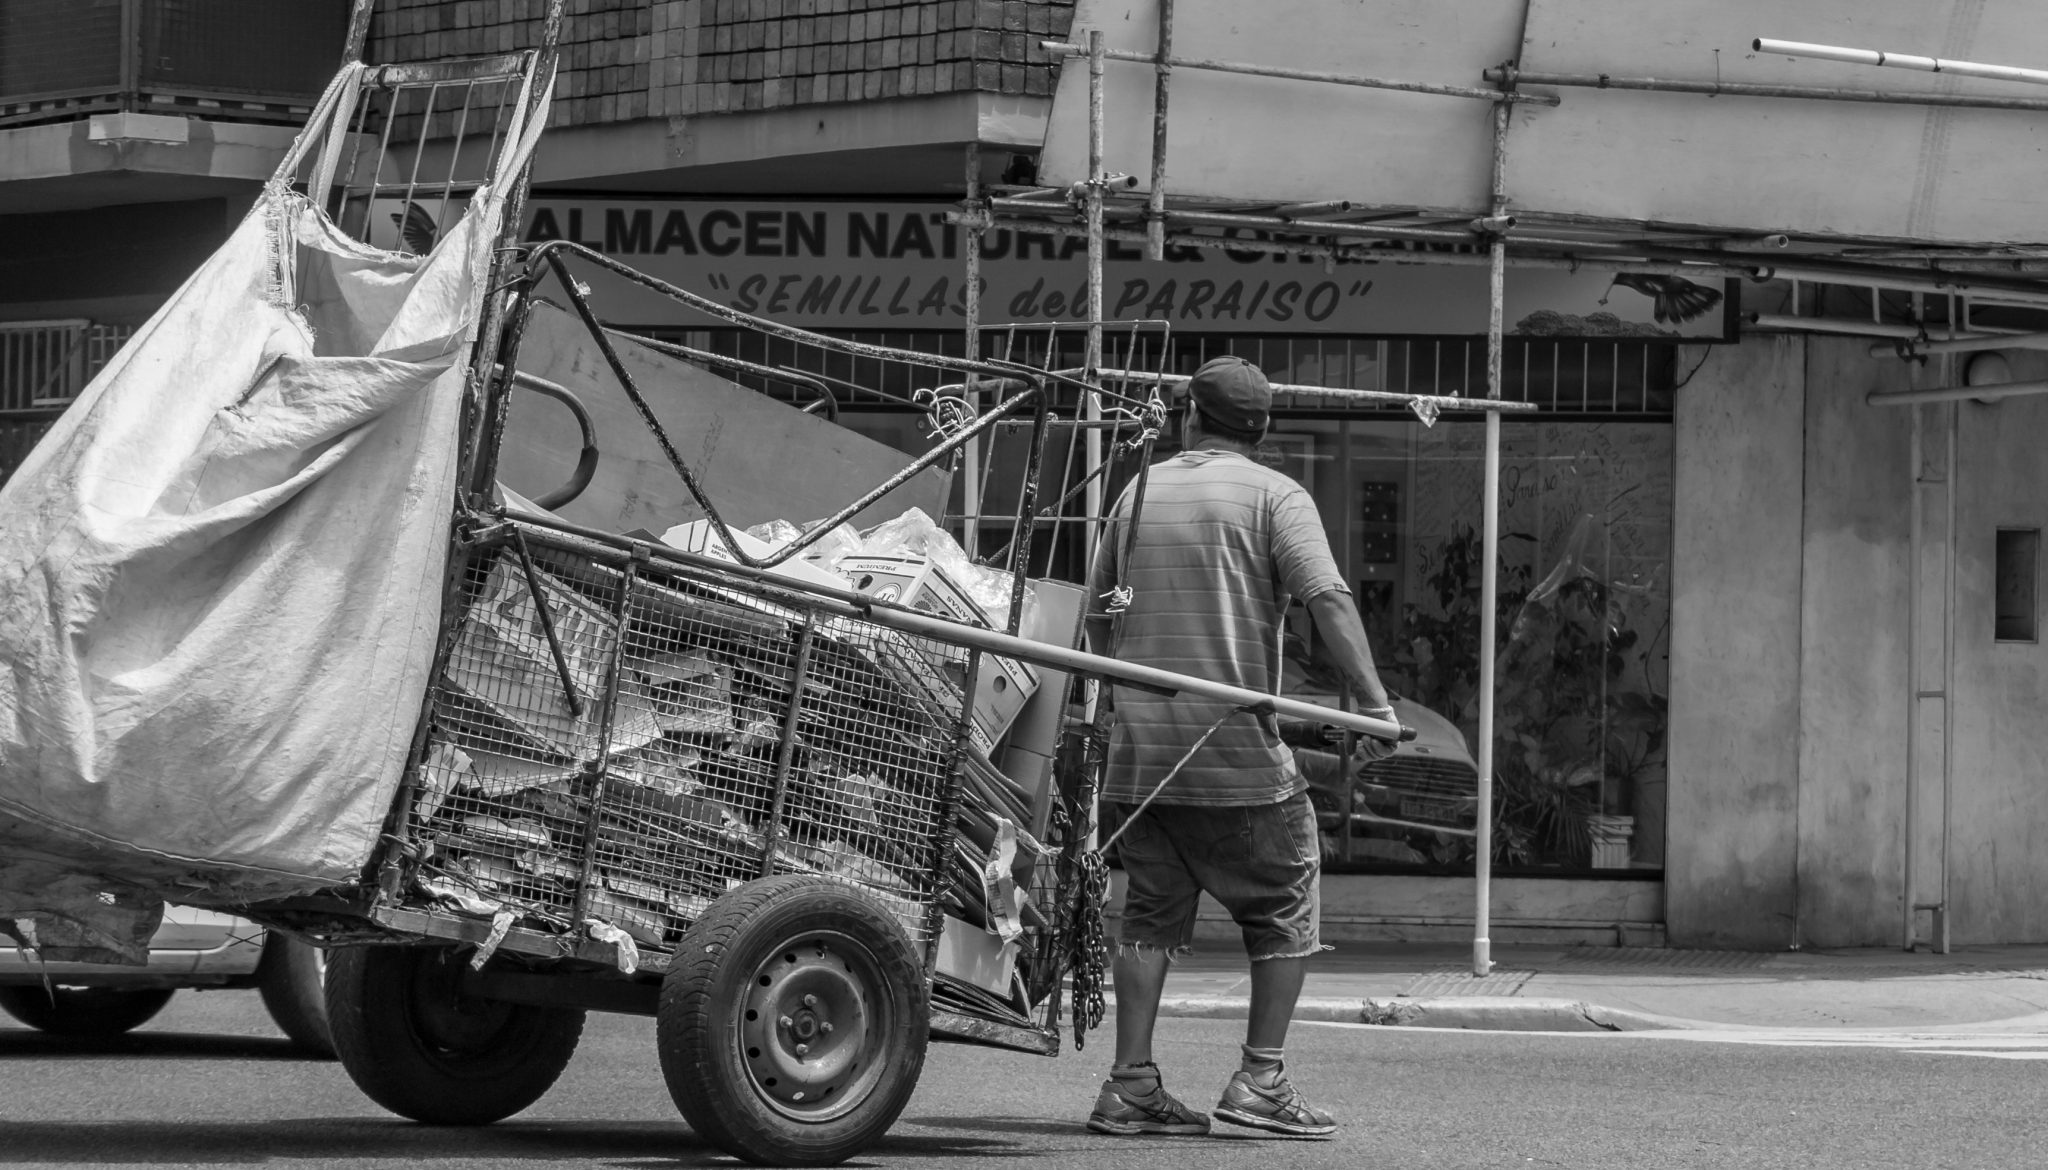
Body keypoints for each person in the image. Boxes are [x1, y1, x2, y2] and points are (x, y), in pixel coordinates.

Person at [1082, 355, 1398, 1139]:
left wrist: (1118, 712)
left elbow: (1095, 619)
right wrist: (1376, 705)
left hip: (1142, 761)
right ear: (1261, 431)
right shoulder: (1276, 496)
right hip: (1234, 759)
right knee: (1289, 896)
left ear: (1192, 414)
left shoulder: (1137, 490)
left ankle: (1129, 1085)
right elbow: (1328, 598)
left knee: (1150, 915)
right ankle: (1260, 1080)